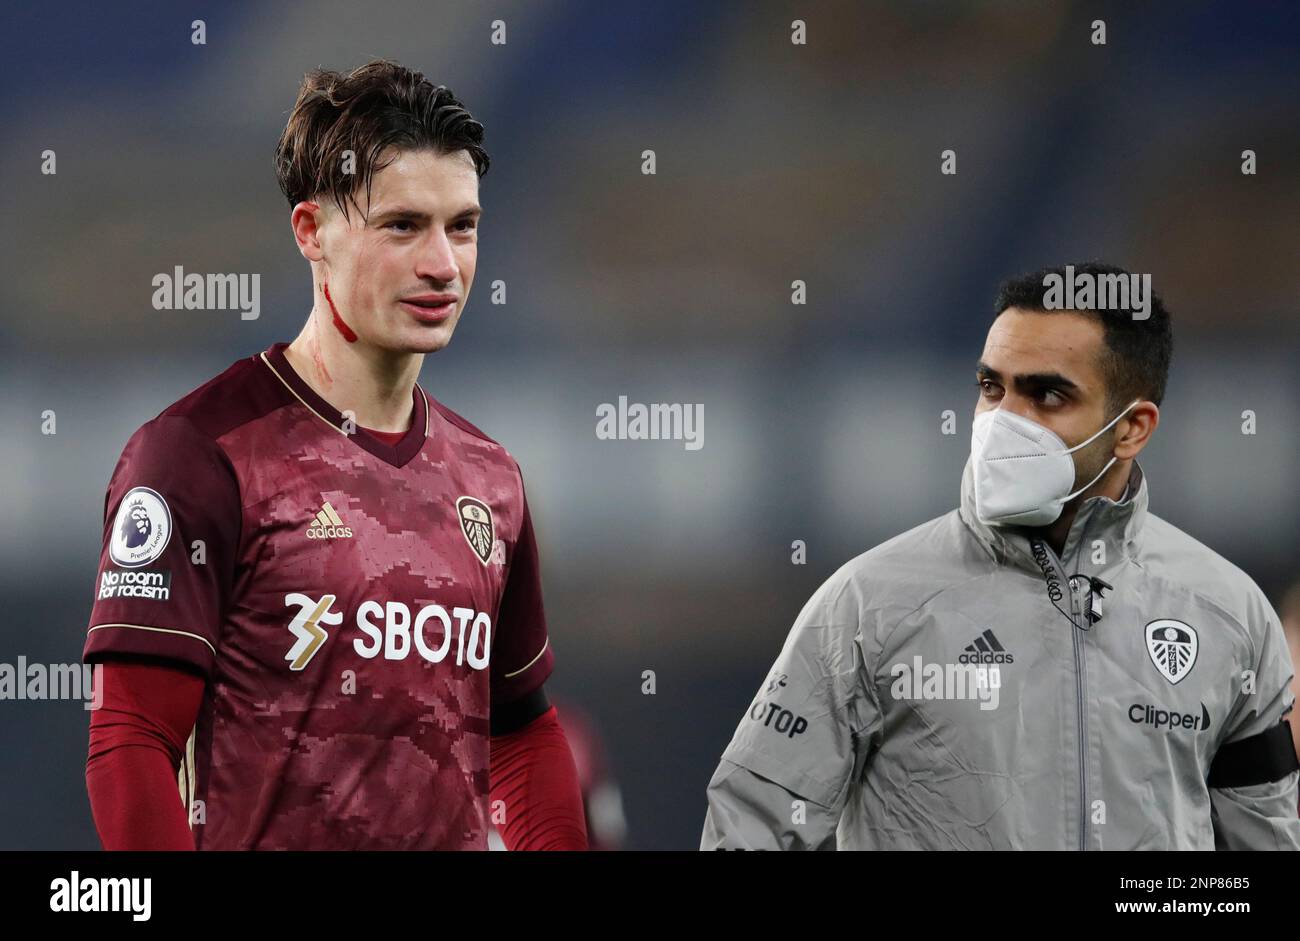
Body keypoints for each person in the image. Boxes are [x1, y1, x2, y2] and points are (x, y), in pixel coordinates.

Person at [82, 60, 587, 850]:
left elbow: (522, 734)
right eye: (402, 225)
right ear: (312, 231)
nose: (443, 265)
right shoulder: (198, 456)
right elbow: (130, 736)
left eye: (462, 226)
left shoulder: (492, 481)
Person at [702, 262, 1300, 850]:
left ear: (1132, 427)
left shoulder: (1229, 613)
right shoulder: (867, 605)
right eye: (993, 388)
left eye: (1046, 395)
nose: (1002, 423)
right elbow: (751, 826)